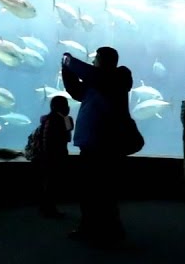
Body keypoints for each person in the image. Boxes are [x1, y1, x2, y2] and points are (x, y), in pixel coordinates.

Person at [61, 47, 134, 244]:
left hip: (107, 145)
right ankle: (90, 227)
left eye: (95, 59)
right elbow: (75, 91)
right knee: (89, 190)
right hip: (89, 145)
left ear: (103, 61)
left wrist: (69, 61)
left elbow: (93, 74)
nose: (92, 62)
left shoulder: (119, 77)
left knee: (104, 190)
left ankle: (110, 232)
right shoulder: (95, 82)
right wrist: (66, 70)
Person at [35, 95, 73, 218]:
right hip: (58, 156)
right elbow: (68, 137)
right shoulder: (66, 119)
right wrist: (66, 117)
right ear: (66, 108)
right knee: (54, 183)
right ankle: (51, 209)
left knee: (46, 182)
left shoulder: (45, 119)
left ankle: (44, 206)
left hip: (44, 155)